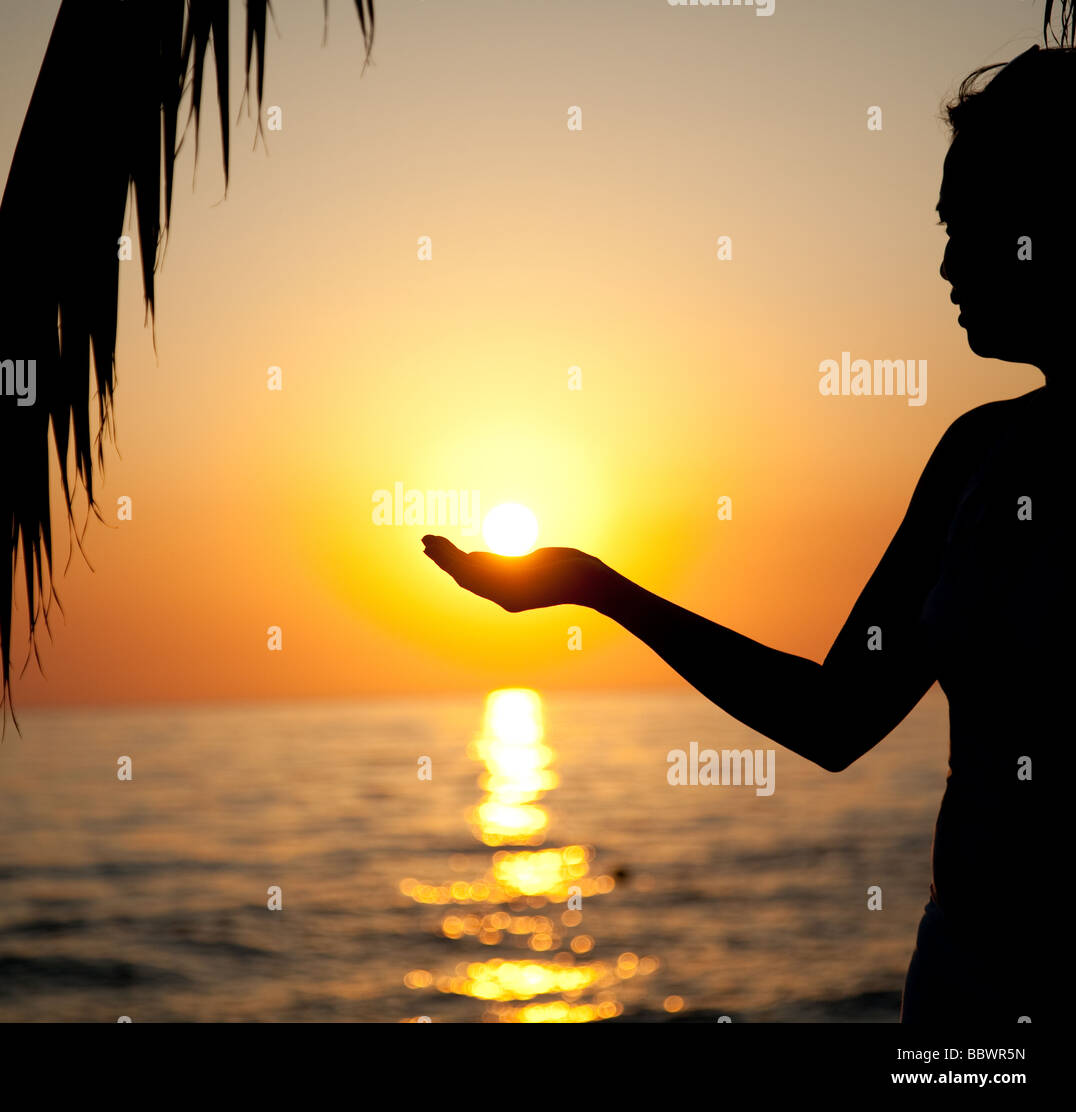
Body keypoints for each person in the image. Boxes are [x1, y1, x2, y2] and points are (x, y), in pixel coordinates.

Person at [423, 41, 1068, 1024]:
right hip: (964, 989)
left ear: (1050, 218)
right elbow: (835, 715)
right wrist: (598, 587)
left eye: (965, 224)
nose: (942, 260)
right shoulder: (974, 457)